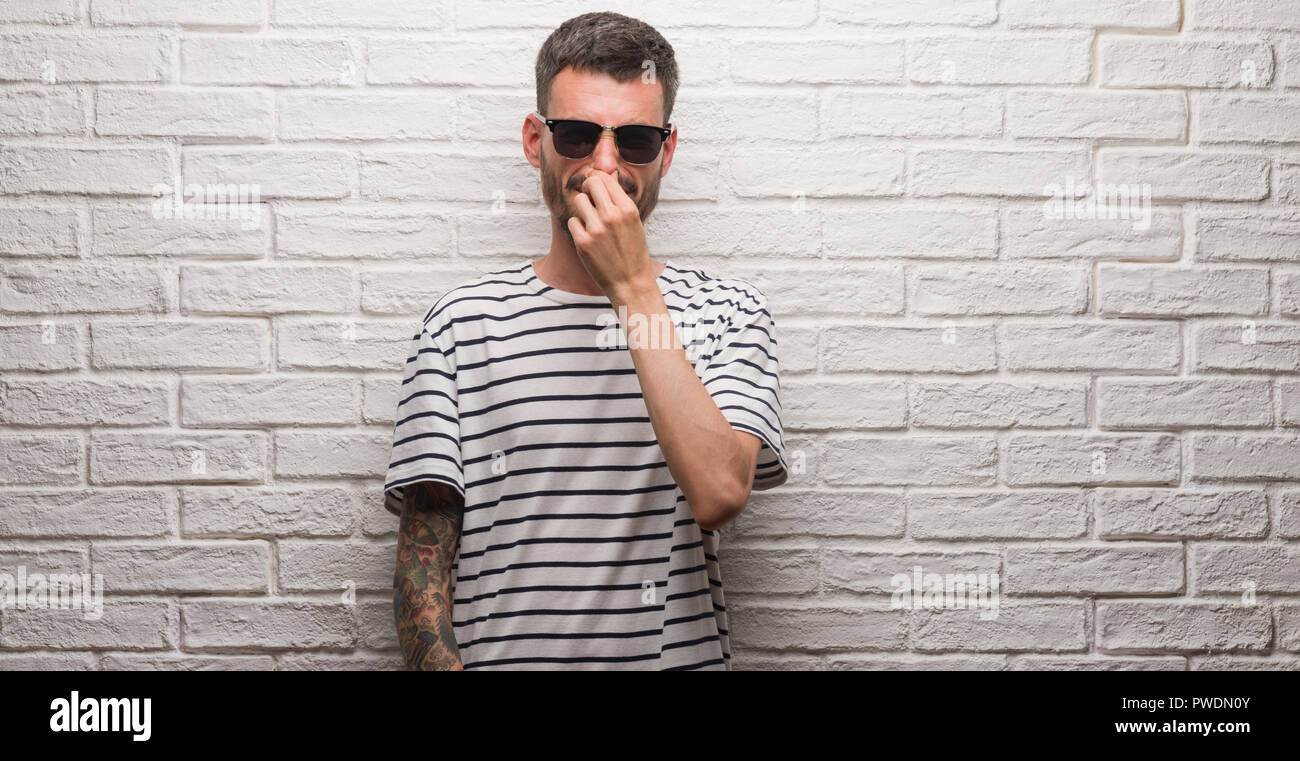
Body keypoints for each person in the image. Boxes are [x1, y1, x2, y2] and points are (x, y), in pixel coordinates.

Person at [385, 11, 788, 670]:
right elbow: (423, 569)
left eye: (634, 140)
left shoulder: (729, 314)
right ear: (533, 140)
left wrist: (632, 286)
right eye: (576, 134)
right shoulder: (459, 325)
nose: (605, 163)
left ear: (668, 149)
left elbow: (719, 493)